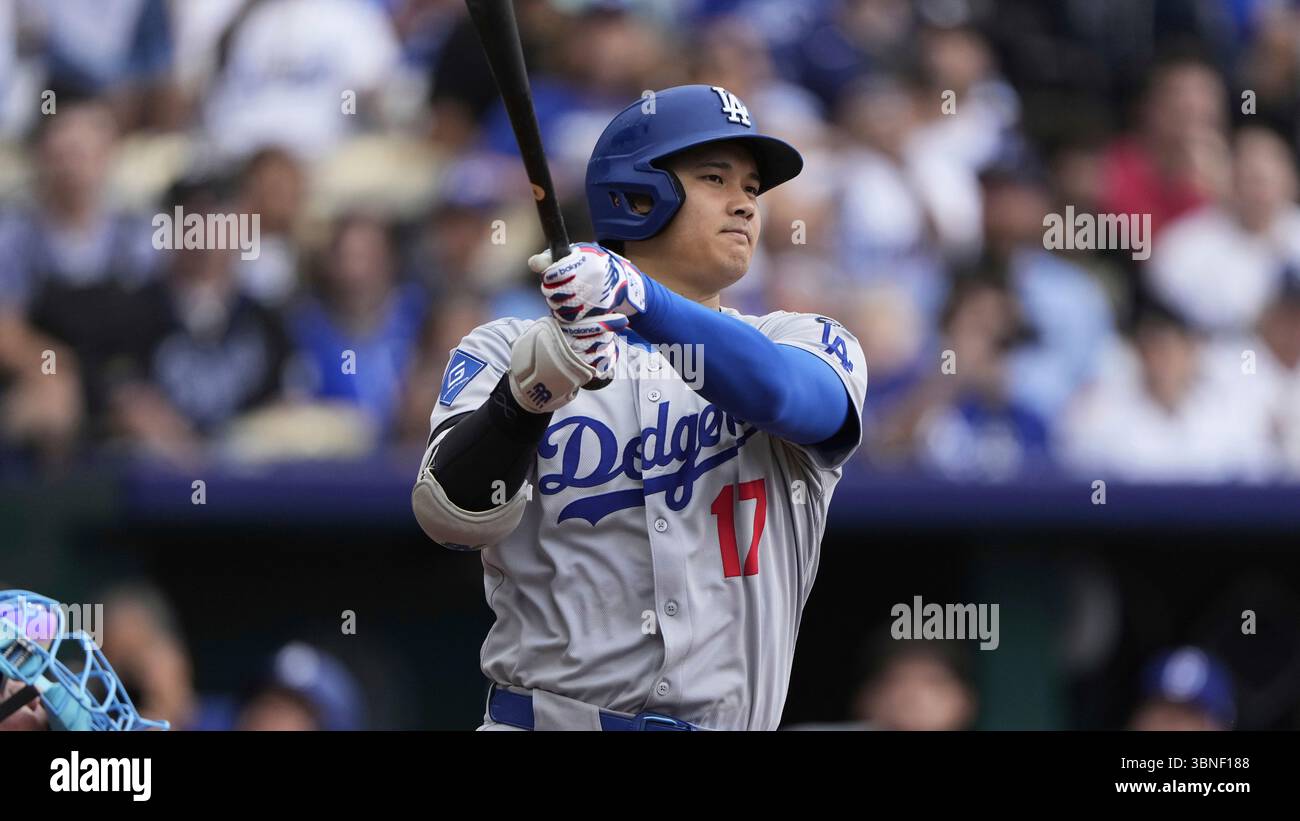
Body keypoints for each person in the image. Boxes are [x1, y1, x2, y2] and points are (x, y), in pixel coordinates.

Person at [411, 85, 868, 731]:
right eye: (715, 177)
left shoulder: (800, 341)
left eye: (752, 187)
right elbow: (450, 518)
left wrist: (637, 296)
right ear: (634, 195)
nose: (744, 202)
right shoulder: (505, 347)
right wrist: (529, 395)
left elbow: (793, 399)